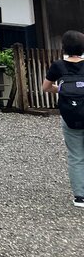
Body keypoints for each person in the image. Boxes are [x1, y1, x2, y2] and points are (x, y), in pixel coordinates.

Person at [43, 29, 84, 208]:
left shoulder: (58, 66)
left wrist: (61, 90)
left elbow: (45, 87)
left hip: (70, 116)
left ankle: (80, 197)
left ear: (64, 47)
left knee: (76, 155)